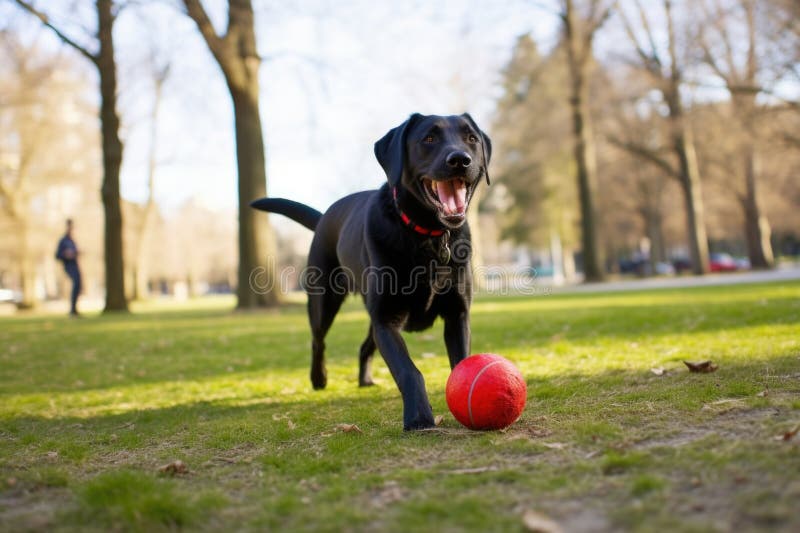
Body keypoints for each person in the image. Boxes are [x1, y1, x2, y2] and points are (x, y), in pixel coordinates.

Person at [55, 219, 82, 316]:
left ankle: (74, 309)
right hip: (68, 266)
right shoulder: (63, 240)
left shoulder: (72, 241)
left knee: (78, 285)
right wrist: (66, 255)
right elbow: (57, 255)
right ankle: (72, 310)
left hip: (75, 265)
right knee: (76, 283)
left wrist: (77, 253)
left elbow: (75, 252)